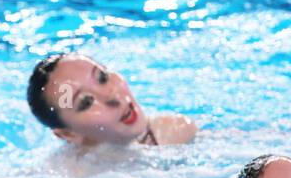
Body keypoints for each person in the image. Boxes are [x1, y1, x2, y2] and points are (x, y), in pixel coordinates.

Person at [26, 53, 198, 148]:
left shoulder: (174, 132)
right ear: (68, 134)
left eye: (102, 77)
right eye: (86, 102)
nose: (113, 97)